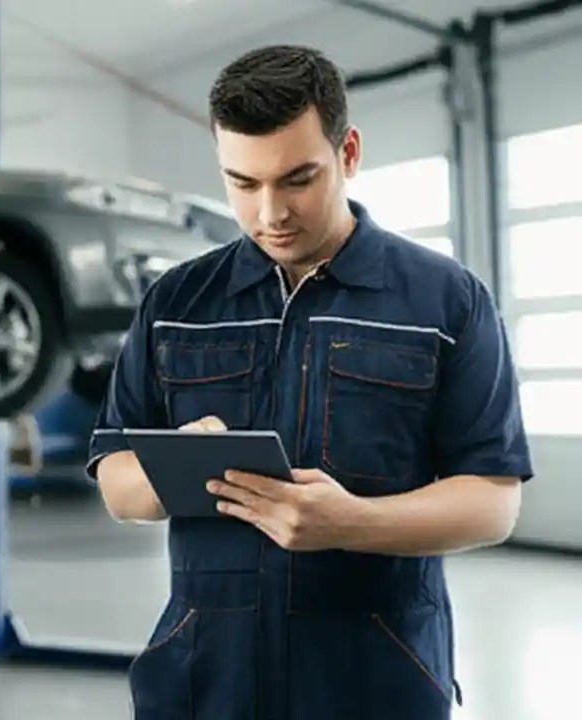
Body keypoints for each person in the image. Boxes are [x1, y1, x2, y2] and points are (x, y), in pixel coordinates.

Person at [88, 44, 532, 720]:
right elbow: (117, 481)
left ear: (348, 153)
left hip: (376, 685)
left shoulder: (446, 302)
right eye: (242, 183)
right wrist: (177, 468)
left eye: (298, 179)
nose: (270, 213)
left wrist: (354, 522)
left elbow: (492, 502)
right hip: (205, 683)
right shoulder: (176, 303)